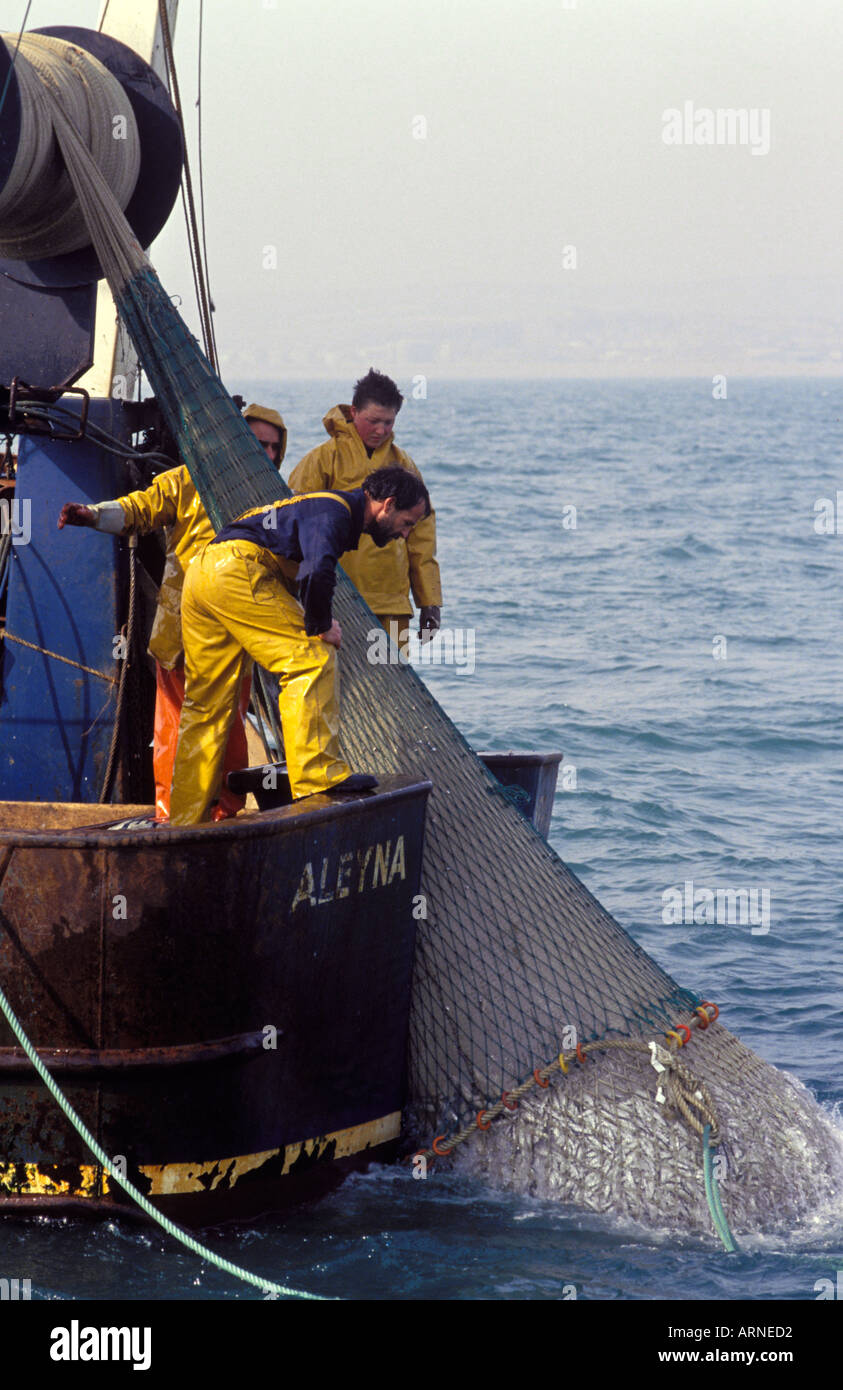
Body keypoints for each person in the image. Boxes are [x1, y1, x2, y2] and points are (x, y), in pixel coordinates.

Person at [57, 403, 287, 820]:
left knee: (230, 730)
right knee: (174, 730)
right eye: (257, 444)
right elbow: (139, 509)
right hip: (180, 634)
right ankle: (171, 818)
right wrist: (93, 516)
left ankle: (223, 814)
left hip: (237, 637)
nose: (266, 455)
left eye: (273, 448)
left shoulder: (274, 500)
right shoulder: (185, 482)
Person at [168, 466, 431, 826]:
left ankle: (184, 820)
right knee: (312, 657)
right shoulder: (336, 511)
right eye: (408, 522)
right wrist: (321, 625)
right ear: (387, 504)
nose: (405, 534)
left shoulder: (319, 506)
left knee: (205, 704)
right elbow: (316, 569)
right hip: (238, 570)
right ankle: (316, 774)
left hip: (203, 573)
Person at [288, 369, 441, 646]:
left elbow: (422, 538)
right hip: (336, 598)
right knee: (333, 681)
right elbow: (295, 524)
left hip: (392, 603)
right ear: (354, 411)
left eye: (389, 422)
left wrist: (429, 602)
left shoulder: (404, 466)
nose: (381, 430)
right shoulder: (323, 459)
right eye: (373, 421)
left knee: (392, 682)